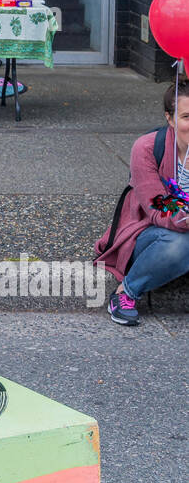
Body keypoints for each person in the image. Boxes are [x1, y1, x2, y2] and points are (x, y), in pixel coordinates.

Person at [95, 78, 189, 325]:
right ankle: (126, 292)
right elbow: (158, 207)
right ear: (169, 118)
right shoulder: (147, 148)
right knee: (180, 243)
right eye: (187, 117)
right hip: (149, 236)